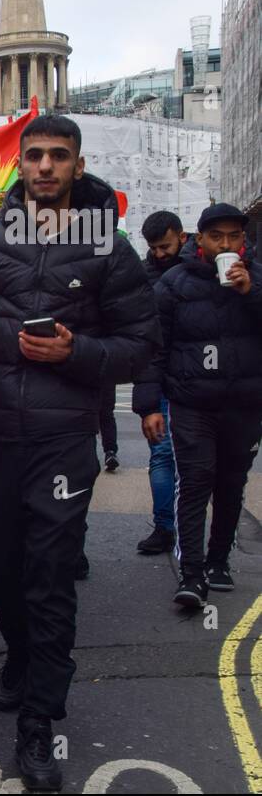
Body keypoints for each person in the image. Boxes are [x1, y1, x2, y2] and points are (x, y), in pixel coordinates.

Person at [0, 114, 159, 791]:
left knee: (49, 577)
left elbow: (140, 345)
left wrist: (79, 353)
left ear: (77, 165)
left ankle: (39, 723)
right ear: (20, 165)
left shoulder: (110, 250)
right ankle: (19, 655)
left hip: (62, 441)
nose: (45, 167)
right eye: (35, 156)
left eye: (59, 156)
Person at [134, 203, 261, 607]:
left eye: (234, 237)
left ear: (243, 242)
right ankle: (191, 574)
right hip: (191, 403)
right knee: (196, 480)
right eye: (217, 236)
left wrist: (250, 293)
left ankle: (218, 561)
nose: (227, 244)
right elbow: (155, 348)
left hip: (244, 404)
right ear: (200, 240)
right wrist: (148, 405)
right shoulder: (172, 284)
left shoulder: (256, 279)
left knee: (230, 484)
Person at [131, 210, 190, 555]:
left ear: (182, 237)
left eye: (165, 246)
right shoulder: (144, 274)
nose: (159, 254)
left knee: (207, 462)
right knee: (162, 454)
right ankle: (166, 526)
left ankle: (196, 535)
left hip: (200, 378)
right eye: (153, 248)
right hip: (162, 375)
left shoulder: (209, 266)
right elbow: (143, 337)